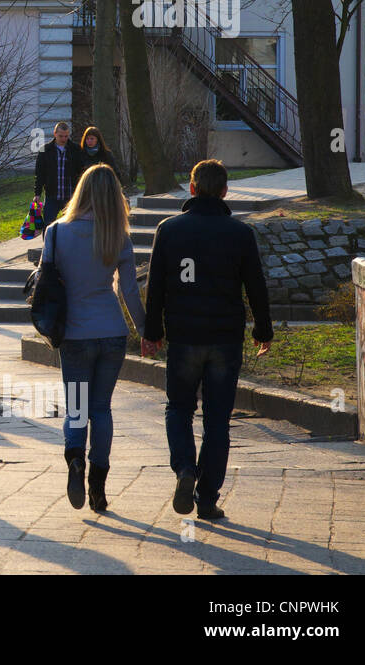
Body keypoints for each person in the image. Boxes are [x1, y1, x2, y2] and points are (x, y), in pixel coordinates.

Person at [141, 159, 272, 522]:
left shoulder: (169, 230)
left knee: (178, 408)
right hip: (225, 339)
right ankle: (207, 498)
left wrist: (152, 333)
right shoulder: (239, 234)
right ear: (226, 191)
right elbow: (256, 287)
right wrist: (263, 330)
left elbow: (156, 289)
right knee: (218, 421)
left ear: (192, 188)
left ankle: (185, 467)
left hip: (184, 337)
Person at [44, 163, 144, 514]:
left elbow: (46, 284)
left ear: (80, 191)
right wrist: (146, 332)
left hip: (73, 333)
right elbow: (130, 292)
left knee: (77, 407)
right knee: (101, 408)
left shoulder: (56, 233)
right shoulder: (119, 237)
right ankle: (98, 487)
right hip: (112, 333)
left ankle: (74, 458)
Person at [34, 121, 84, 225]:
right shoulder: (45, 150)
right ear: (55, 133)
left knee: (71, 226)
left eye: (66, 136)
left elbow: (81, 172)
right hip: (52, 196)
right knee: (48, 225)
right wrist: (37, 194)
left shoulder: (75, 149)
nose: (63, 139)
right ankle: (49, 242)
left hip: (70, 195)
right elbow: (40, 174)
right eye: (61, 136)